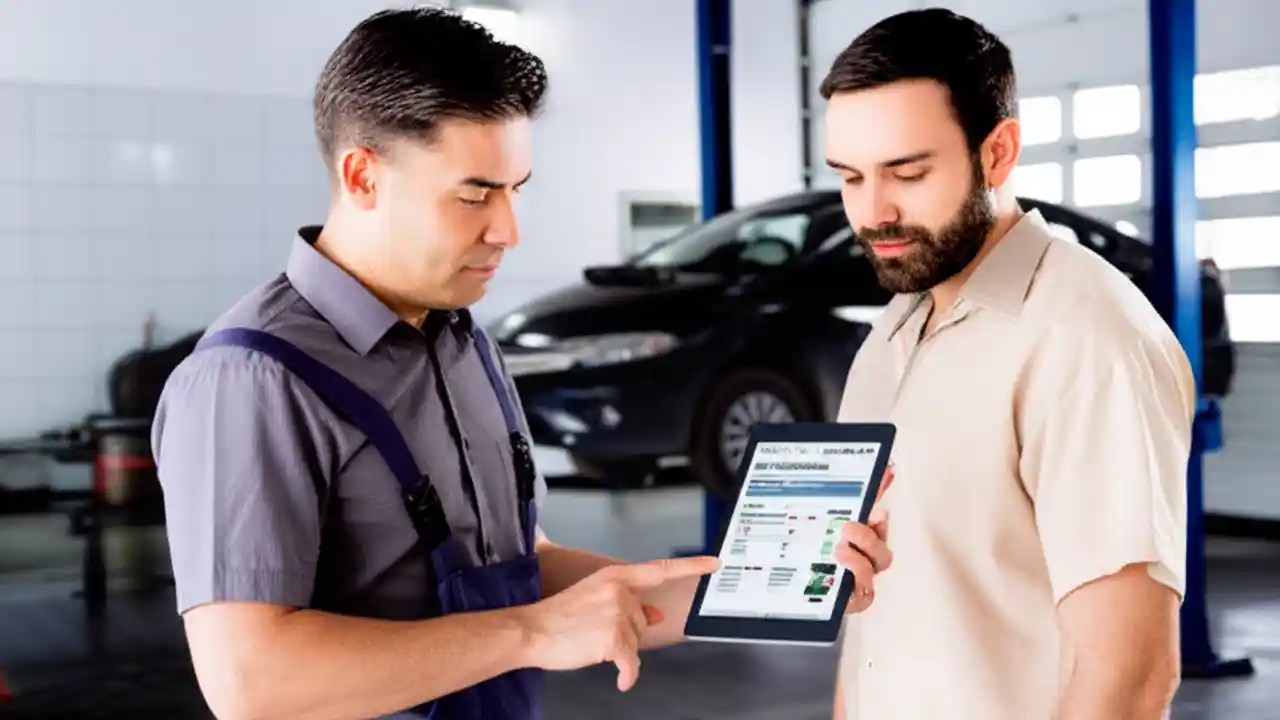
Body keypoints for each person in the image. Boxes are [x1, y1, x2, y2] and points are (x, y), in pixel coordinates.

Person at [152, 8, 889, 720]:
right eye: (475, 193)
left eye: (515, 190)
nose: (507, 229)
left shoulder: (463, 342)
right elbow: (249, 682)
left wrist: (775, 589)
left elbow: (521, 570)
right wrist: (535, 635)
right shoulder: (252, 380)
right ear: (363, 177)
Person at [820, 9, 1194, 720]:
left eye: (907, 171)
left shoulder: (1086, 337)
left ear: (997, 153)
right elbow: (872, 628)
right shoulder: (893, 334)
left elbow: (1131, 673)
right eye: (850, 177)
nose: (874, 211)